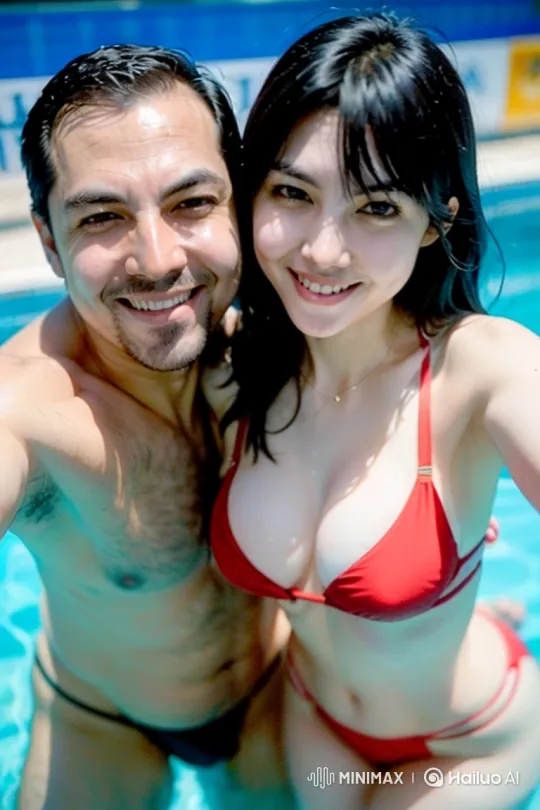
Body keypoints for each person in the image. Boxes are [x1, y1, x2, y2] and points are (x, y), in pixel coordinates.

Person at [209, 12, 540, 810]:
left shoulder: (482, 368)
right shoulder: (233, 365)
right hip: (316, 720)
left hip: (473, 739)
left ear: (439, 219)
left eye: (378, 208)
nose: (324, 251)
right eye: (293, 192)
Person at [0, 45, 289, 810]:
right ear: (49, 240)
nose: (158, 261)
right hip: (101, 725)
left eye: (192, 203)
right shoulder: (26, 416)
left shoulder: (293, 345)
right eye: (102, 216)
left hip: (272, 696)